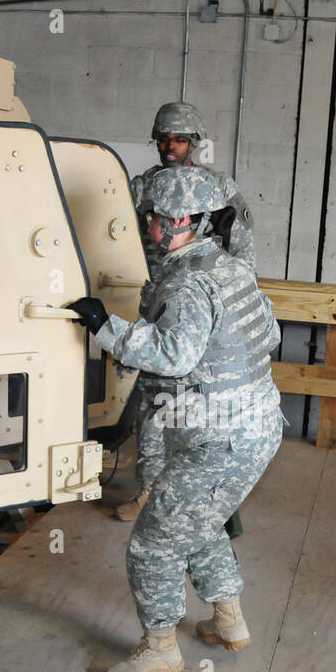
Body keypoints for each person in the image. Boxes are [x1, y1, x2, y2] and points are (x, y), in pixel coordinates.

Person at [66, 167, 282, 672]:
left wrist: (104, 326)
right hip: (251, 427)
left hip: (219, 440)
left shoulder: (189, 281)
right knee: (200, 521)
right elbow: (270, 331)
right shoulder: (230, 267)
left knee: (153, 544)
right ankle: (229, 621)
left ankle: (160, 649)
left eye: (155, 219)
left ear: (183, 220)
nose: (148, 227)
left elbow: (173, 355)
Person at [117, 101, 256, 522]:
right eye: (163, 139)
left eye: (178, 139)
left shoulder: (218, 189)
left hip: (203, 306)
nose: (169, 147)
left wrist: (232, 308)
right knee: (153, 402)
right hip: (158, 302)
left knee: (200, 407)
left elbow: (242, 252)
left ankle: (207, 496)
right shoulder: (141, 188)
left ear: (194, 143)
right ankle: (149, 491)